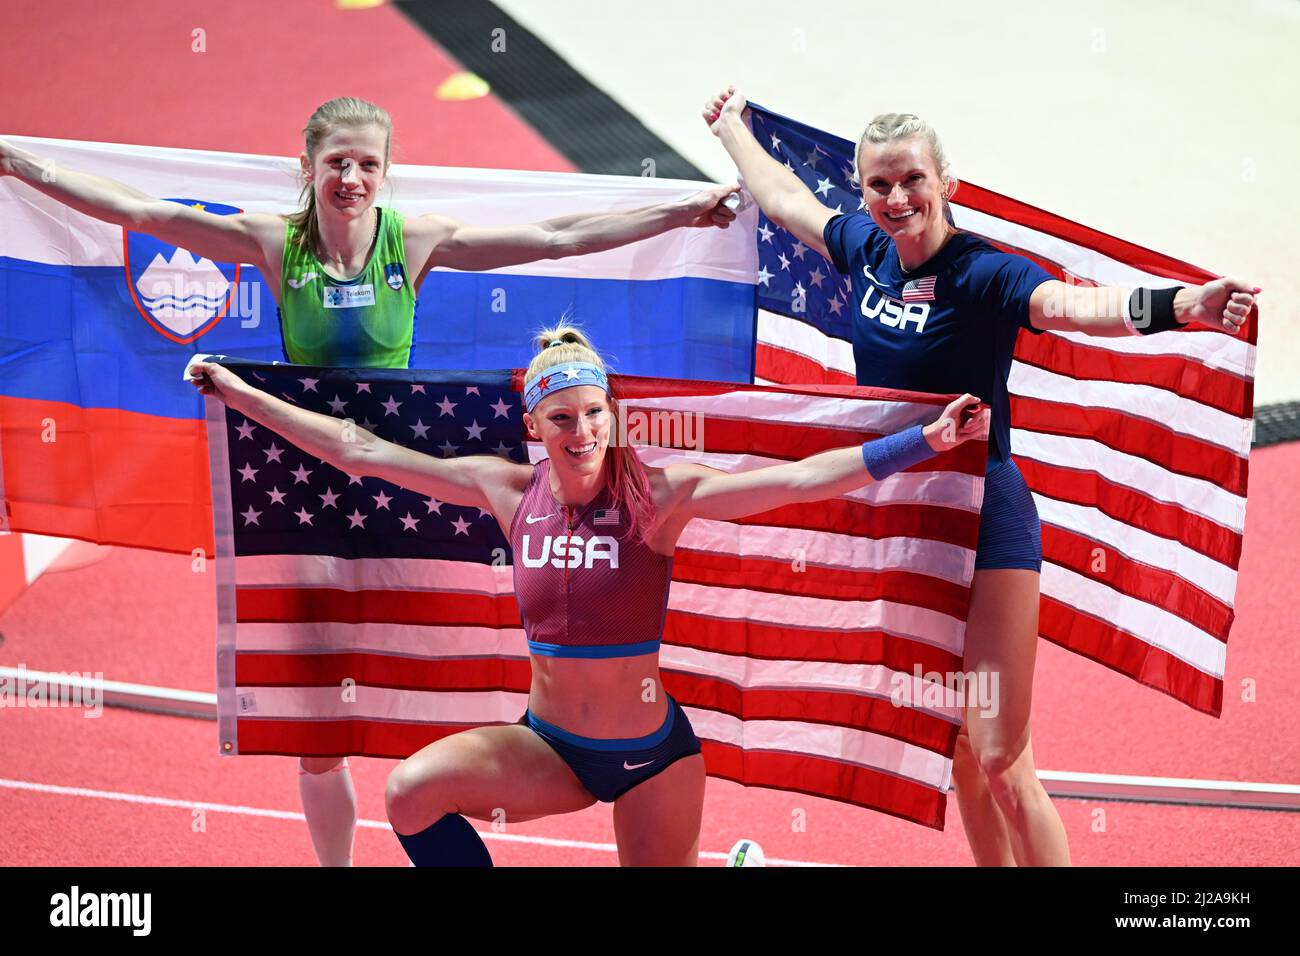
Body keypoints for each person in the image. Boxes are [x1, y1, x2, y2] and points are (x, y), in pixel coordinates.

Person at [0, 96, 740, 866]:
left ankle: (524, 773)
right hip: (305, 481)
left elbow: (557, 238)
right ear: (308, 167)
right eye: (336, 164)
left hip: (406, 482)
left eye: (368, 164)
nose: (351, 179)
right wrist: (22, 165)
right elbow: (140, 213)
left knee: (454, 672)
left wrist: (682, 209)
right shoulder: (271, 240)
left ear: (387, 172)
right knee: (319, 716)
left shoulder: (412, 240)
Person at [702, 86, 1258, 866]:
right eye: (880, 185)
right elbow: (787, 199)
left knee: (999, 752)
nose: (898, 199)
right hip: (909, 527)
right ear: (861, 191)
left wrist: (1185, 302)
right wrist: (731, 129)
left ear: (947, 182)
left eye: (913, 180)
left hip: (985, 520)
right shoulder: (865, 250)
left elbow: (1074, 306)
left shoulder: (983, 274)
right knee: (957, 743)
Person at [188, 322, 984, 865]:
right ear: (535, 424)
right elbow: (358, 449)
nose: (582, 431)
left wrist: (923, 440)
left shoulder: (661, 495)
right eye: (562, 416)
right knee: (409, 795)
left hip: (652, 760)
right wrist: (235, 391)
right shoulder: (505, 490)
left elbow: (800, 480)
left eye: (595, 412)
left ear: (614, 413)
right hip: (550, 749)